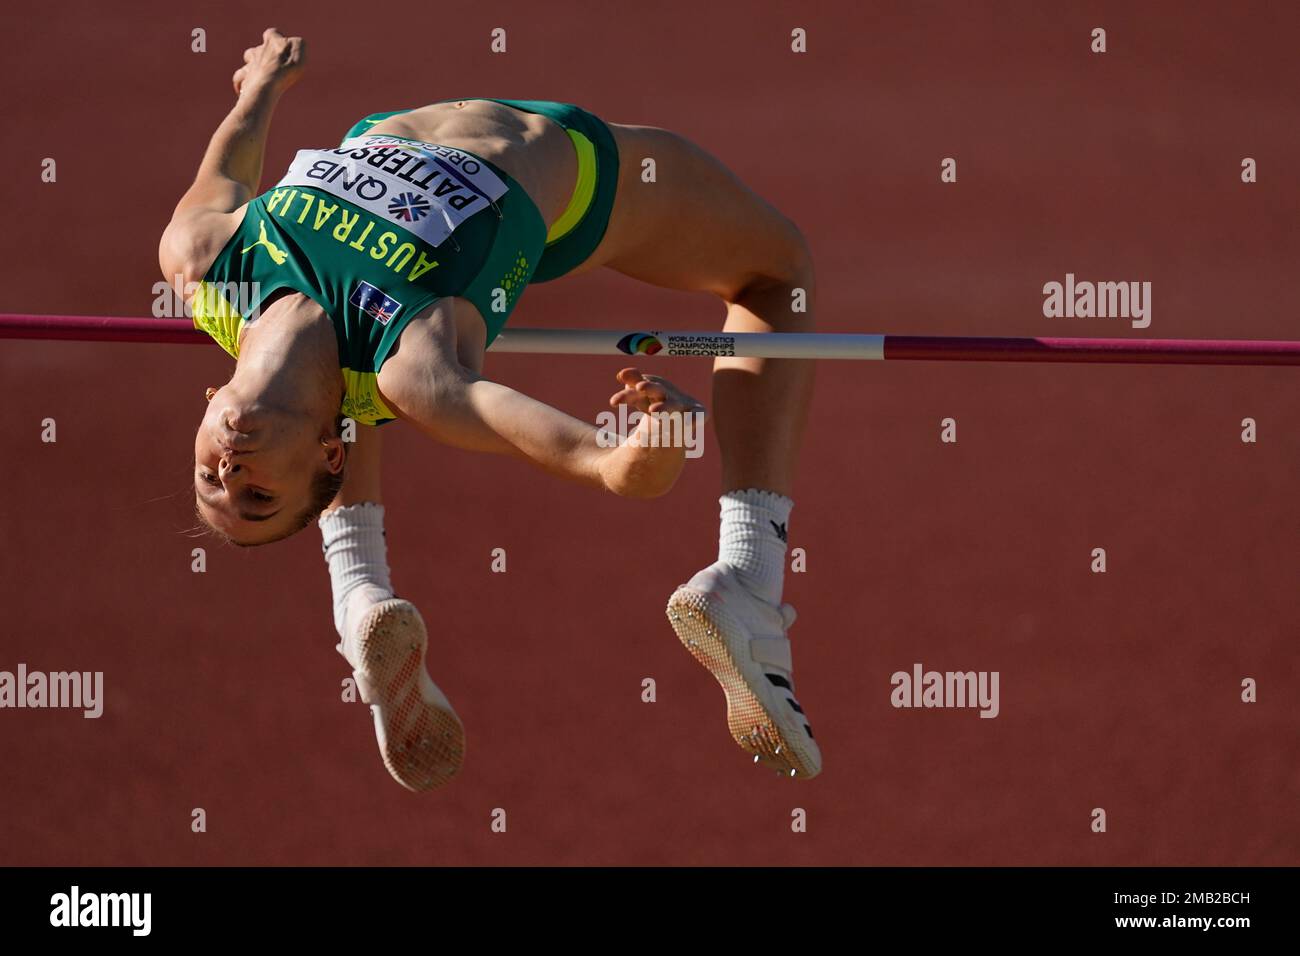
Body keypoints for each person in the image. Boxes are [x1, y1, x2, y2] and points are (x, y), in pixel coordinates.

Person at [159, 29, 820, 790]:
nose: (231, 471)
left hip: (387, 132)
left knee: (330, 373)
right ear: (329, 456)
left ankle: (362, 597)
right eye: (258, 496)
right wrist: (654, 439)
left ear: (207, 408)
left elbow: (229, 168)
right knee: (779, 273)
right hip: (571, 177)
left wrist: (261, 88)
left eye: (212, 481)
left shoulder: (205, 263)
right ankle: (750, 579)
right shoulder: (416, 369)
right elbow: (603, 466)